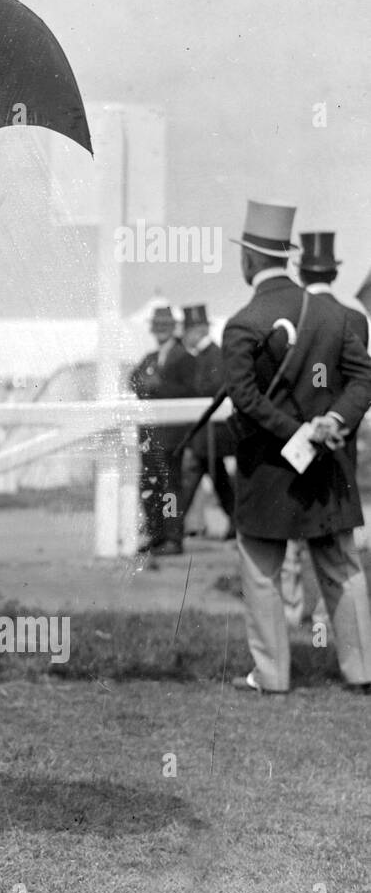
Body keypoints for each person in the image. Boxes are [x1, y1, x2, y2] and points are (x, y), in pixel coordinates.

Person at [222, 201, 371, 694]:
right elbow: (363, 378)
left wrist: (292, 431)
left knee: (263, 572)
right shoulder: (333, 314)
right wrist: (331, 421)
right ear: (286, 257)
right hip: (327, 466)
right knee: (341, 568)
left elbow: (243, 399)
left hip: (267, 470)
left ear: (248, 260)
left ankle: (272, 676)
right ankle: (363, 671)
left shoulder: (243, 322)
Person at [281, 233, 370, 629]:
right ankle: (351, 636)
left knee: (285, 541)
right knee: (339, 550)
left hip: (290, 440)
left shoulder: (290, 315)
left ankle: (290, 615)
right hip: (338, 444)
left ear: (300, 272)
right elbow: (357, 383)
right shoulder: (354, 318)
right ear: (334, 273)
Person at [129, 304, 197, 555]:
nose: (160, 331)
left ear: (172, 328)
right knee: (150, 486)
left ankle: (172, 537)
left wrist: (157, 387)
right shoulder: (149, 358)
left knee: (170, 487)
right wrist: (147, 384)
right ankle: (155, 534)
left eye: (164, 326)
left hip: (171, 436)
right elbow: (133, 380)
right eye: (157, 326)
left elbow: (190, 391)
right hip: (149, 436)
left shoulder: (184, 358)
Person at [175, 304, 236, 539]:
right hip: (206, 434)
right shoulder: (203, 356)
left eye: (188, 330)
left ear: (198, 330)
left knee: (191, 479)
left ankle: (173, 528)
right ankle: (236, 523)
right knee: (219, 480)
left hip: (210, 433)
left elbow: (210, 389)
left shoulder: (214, 356)